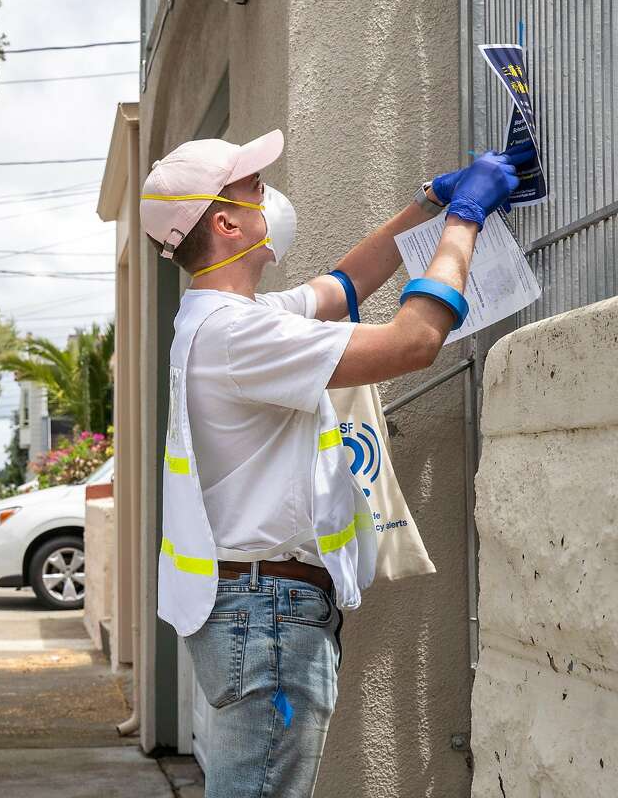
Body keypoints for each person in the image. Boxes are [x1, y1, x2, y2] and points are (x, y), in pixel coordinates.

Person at [139, 130, 533, 798]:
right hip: (267, 616)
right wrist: (464, 220)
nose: (271, 196)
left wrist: (426, 204)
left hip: (259, 610)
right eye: (253, 188)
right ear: (229, 223)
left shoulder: (230, 318)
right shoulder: (240, 334)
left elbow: (344, 284)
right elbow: (413, 341)